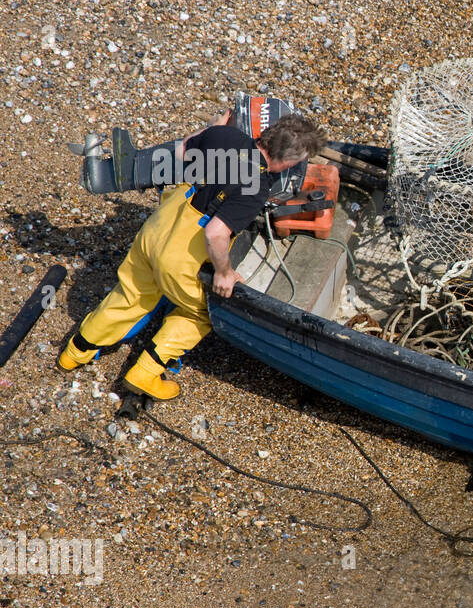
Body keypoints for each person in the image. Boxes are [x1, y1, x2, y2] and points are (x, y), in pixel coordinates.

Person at [57, 112, 325, 399]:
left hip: (157, 229)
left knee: (132, 293)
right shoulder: (256, 187)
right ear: (288, 161)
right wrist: (223, 272)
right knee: (202, 310)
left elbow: (183, 149)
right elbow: (215, 233)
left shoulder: (226, 136)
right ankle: (146, 371)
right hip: (180, 253)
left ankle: (76, 352)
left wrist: (215, 128)